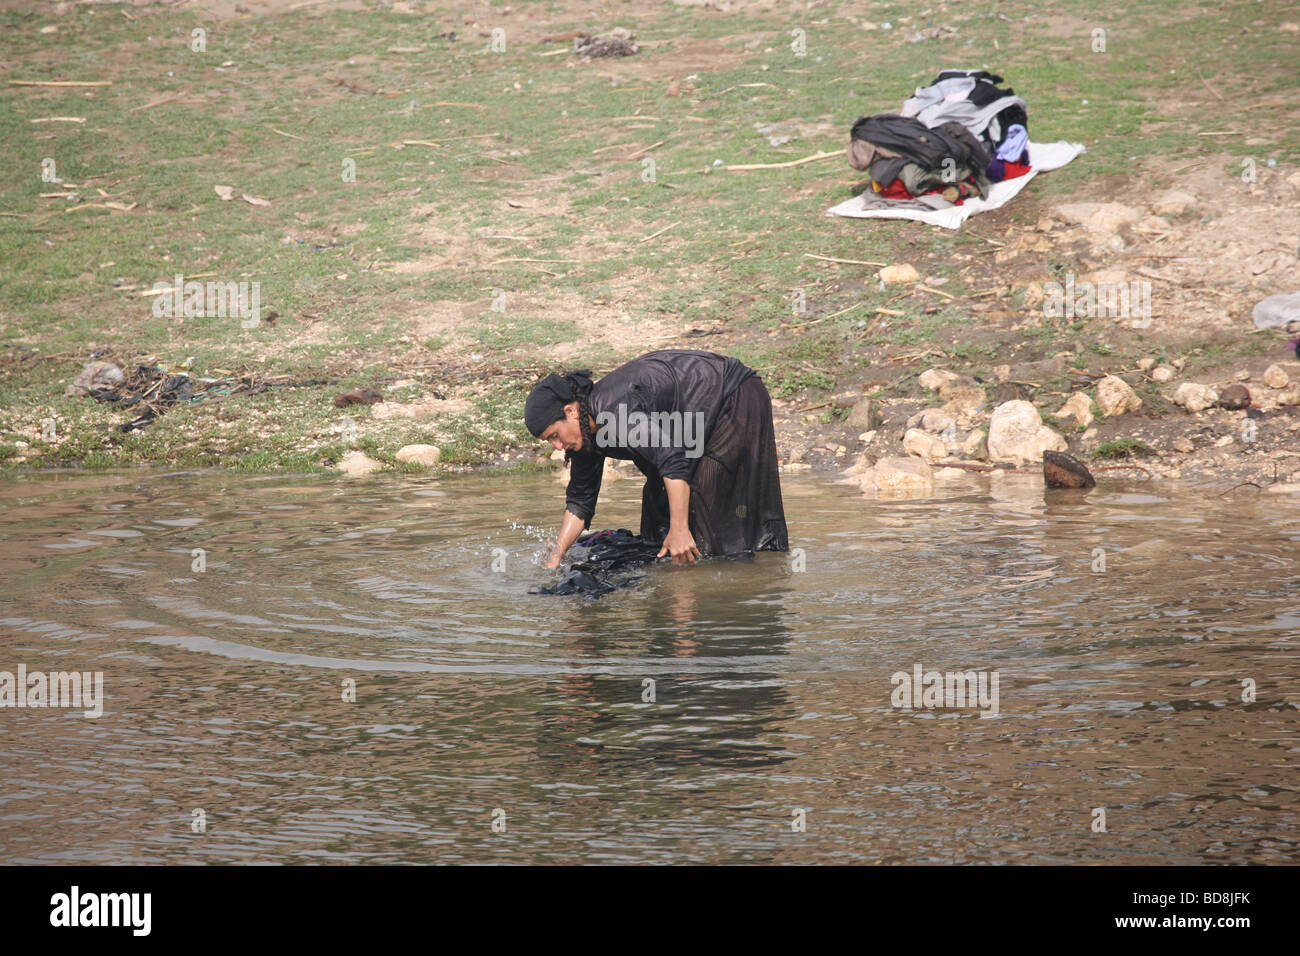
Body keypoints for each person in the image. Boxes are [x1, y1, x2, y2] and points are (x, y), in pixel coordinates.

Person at [525, 349, 788, 568]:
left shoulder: (616, 410)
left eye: (555, 436)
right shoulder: (584, 436)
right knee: (656, 505)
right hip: (692, 426)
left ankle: (728, 592)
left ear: (570, 411)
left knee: (704, 500)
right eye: (550, 441)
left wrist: (680, 529)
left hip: (733, 396)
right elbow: (580, 501)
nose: (558, 446)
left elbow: (672, 461)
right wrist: (557, 555)